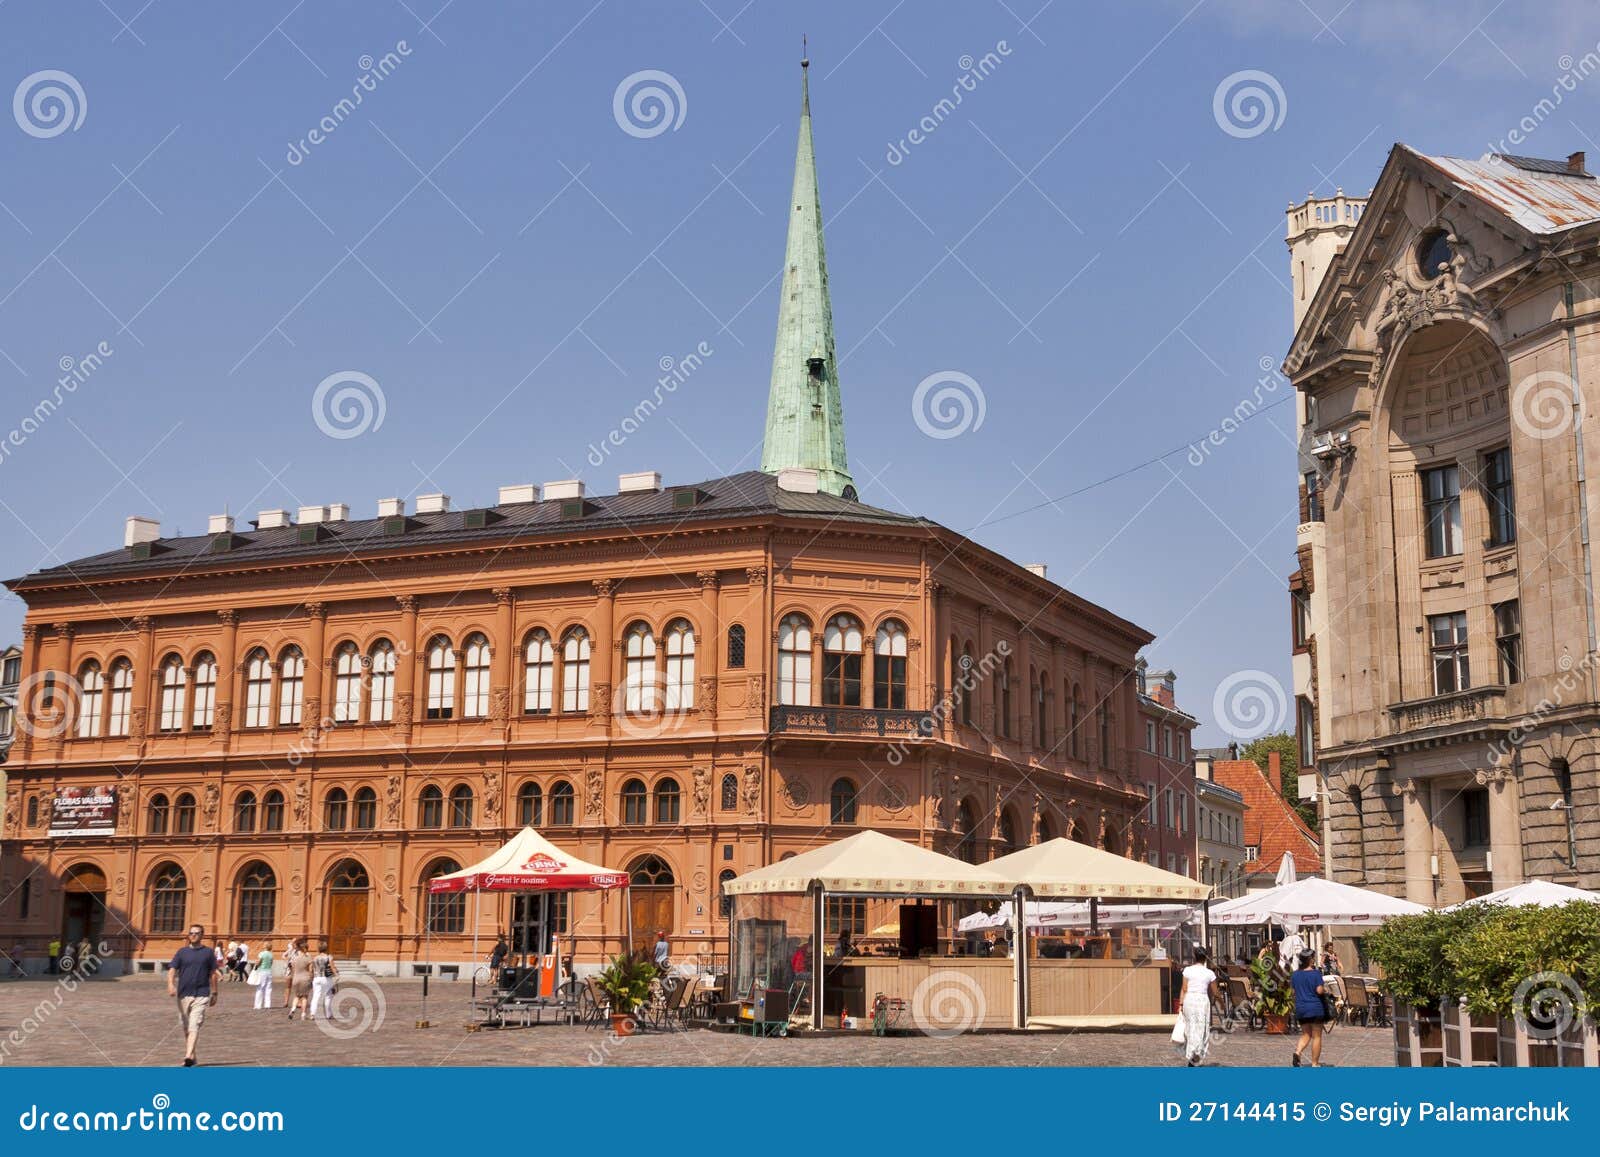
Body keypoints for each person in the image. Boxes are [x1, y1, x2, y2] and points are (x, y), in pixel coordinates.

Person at [167, 924, 221, 1067]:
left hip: (202, 994)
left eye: (197, 933)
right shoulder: (181, 952)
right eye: (191, 933)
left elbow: (213, 974)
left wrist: (214, 992)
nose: (193, 935)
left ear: (202, 935)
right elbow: (172, 969)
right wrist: (171, 984)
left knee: (194, 1025)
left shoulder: (208, 953)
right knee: (186, 1029)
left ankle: (187, 1056)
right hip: (183, 994)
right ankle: (192, 1056)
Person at [1176, 946, 1222, 1067]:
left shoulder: (1187, 970)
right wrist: (1222, 1003)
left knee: (1191, 1028)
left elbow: (1184, 989)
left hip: (1189, 1000)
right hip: (1202, 1001)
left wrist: (1181, 1004)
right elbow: (1216, 992)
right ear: (1206, 958)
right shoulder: (1210, 973)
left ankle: (1192, 1053)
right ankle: (1196, 1054)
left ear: (1194, 956)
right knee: (1201, 1029)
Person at [1291, 950, 1328, 1067]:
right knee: (1317, 1036)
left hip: (1301, 1008)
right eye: (1313, 957)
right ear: (1310, 960)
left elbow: (1293, 992)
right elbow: (1319, 991)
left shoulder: (1295, 975)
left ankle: (1297, 1052)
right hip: (1315, 1008)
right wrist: (1325, 990)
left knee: (1306, 1033)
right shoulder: (1316, 974)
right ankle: (1314, 1063)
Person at [309, 943, 339, 1019]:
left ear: (318, 949)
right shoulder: (329, 957)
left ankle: (312, 1013)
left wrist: (311, 978)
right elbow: (332, 967)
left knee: (315, 996)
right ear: (326, 948)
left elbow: (311, 969)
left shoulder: (314, 958)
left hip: (316, 978)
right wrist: (337, 976)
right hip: (326, 978)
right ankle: (328, 1014)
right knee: (328, 996)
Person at [287, 941, 313, 1021]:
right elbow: (310, 970)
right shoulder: (308, 957)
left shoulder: (295, 957)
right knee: (304, 997)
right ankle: (303, 1014)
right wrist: (312, 978)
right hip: (305, 978)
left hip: (296, 978)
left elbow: (292, 968)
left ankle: (293, 1009)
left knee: (297, 996)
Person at [253, 943, 275, 1011]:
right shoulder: (271, 954)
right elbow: (271, 963)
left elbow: (259, 962)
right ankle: (267, 1005)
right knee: (268, 988)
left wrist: (255, 965)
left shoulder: (261, 953)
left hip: (262, 971)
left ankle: (258, 1005)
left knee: (260, 988)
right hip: (269, 971)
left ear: (265, 947)